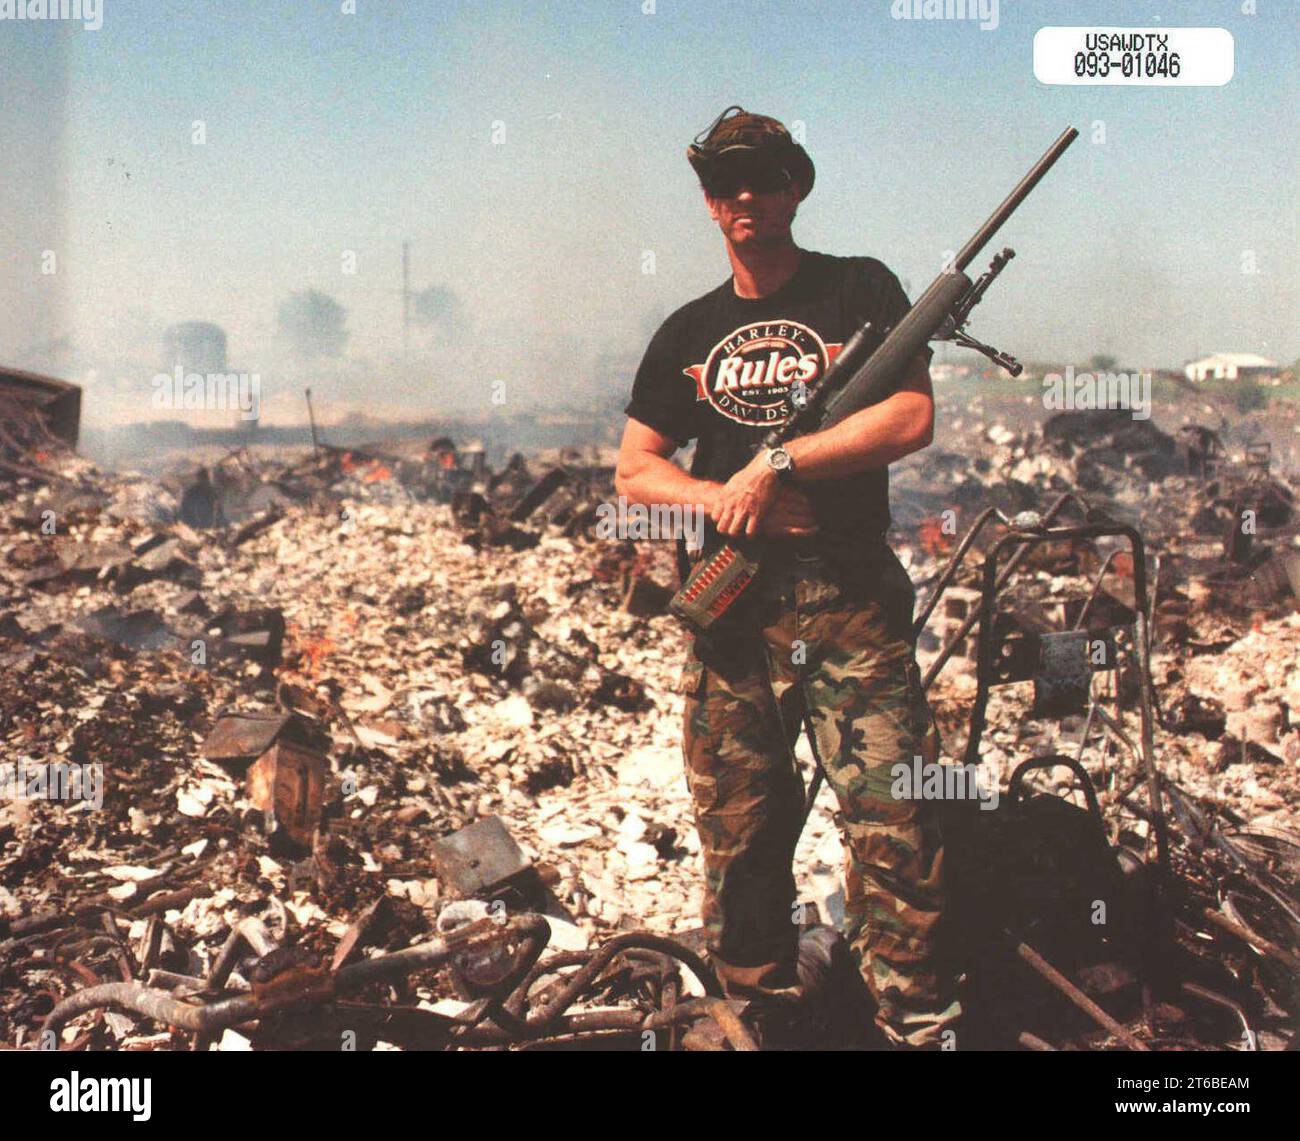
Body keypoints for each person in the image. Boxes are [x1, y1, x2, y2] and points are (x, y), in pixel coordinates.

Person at [614, 106, 960, 1048]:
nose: (746, 200)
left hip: (848, 604)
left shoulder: (857, 291)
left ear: (796, 186)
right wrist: (724, 495)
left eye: (764, 178)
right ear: (709, 204)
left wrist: (784, 465)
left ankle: (917, 1023)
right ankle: (757, 1014)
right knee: (741, 832)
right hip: (736, 609)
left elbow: (907, 418)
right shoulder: (689, 327)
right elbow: (635, 469)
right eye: (726, 185)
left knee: (895, 824)